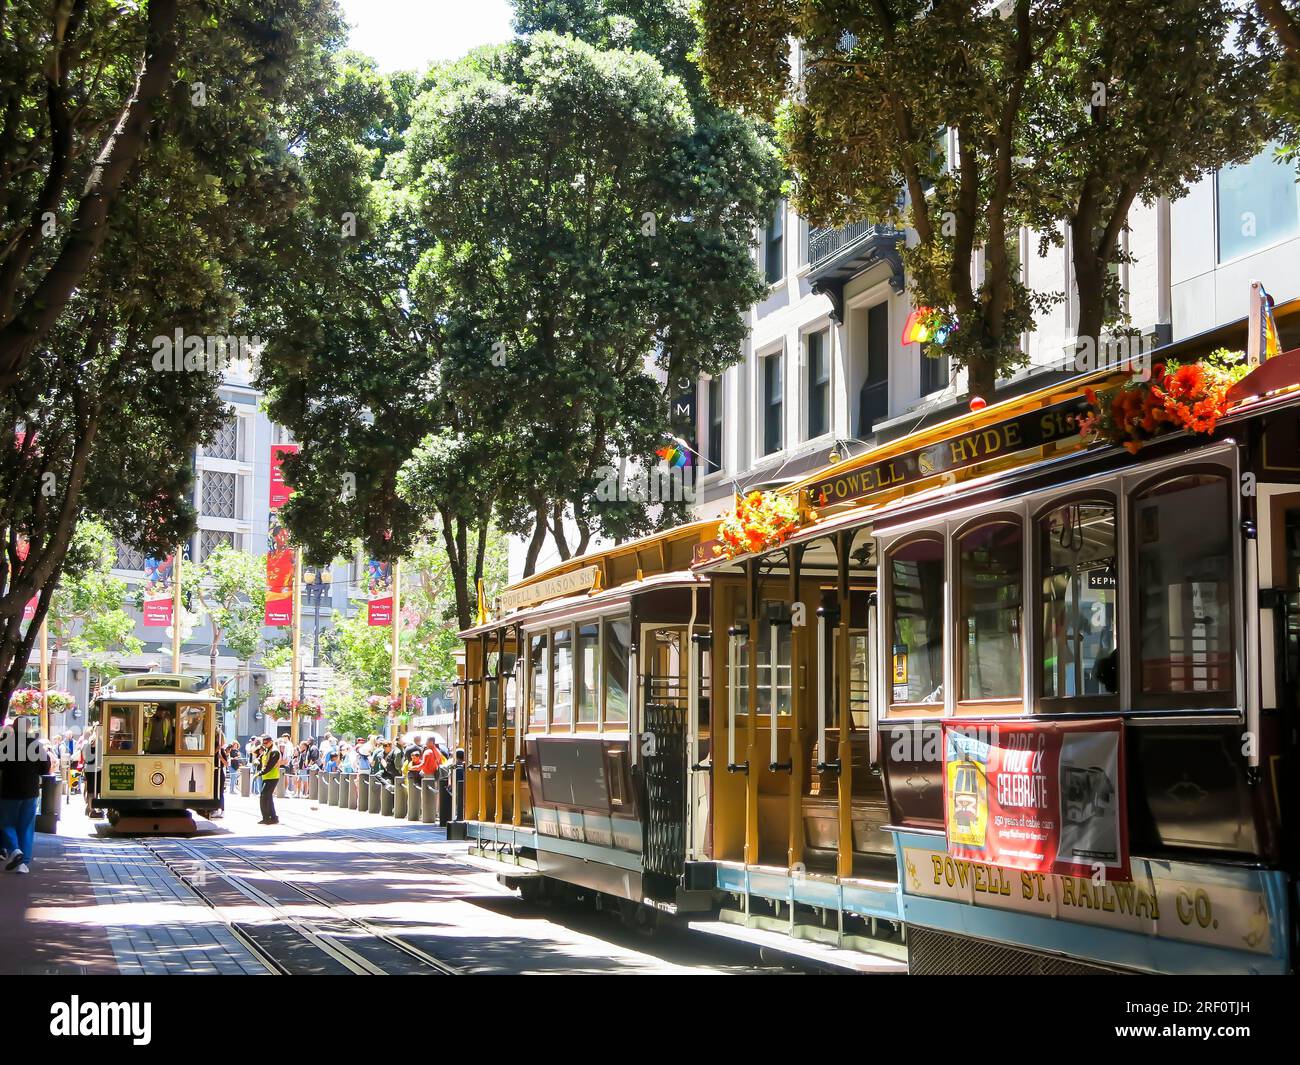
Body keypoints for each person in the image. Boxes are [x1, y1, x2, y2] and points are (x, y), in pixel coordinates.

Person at [0, 717, 52, 874]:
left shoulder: (5, 745)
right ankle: (24, 864)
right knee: (26, 826)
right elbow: (45, 768)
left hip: (9, 791)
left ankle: (15, 850)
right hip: (31, 791)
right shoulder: (36, 746)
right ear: (29, 728)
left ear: (14, 727)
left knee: (4, 823)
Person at [256, 735, 280, 825]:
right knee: (267, 797)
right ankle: (272, 817)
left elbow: (270, 766)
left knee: (264, 796)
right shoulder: (267, 749)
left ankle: (267, 818)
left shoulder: (274, 751)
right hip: (267, 777)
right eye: (263, 743)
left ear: (271, 742)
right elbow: (261, 757)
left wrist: (260, 773)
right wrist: (258, 760)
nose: (264, 744)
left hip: (272, 777)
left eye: (266, 743)